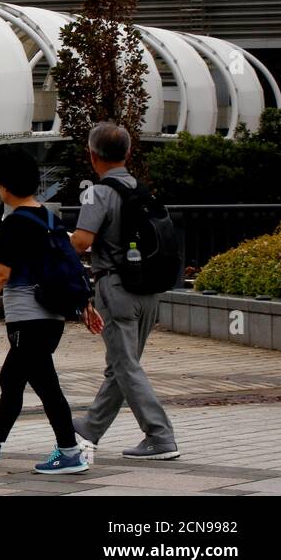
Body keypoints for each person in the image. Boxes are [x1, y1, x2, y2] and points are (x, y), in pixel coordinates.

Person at [0, 147, 89, 475]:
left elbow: (0, 274)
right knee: (12, 377)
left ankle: (70, 451)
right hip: (52, 315)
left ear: (3, 187)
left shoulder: (14, 223)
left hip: (28, 317)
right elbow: (71, 264)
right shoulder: (49, 218)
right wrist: (84, 304)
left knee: (46, 384)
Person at [70, 121, 180, 460]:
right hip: (149, 292)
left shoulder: (98, 193)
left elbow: (82, 242)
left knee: (126, 365)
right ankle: (91, 427)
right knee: (120, 364)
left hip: (116, 290)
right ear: (128, 153)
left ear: (92, 155)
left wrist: (54, 242)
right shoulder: (141, 189)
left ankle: (160, 436)